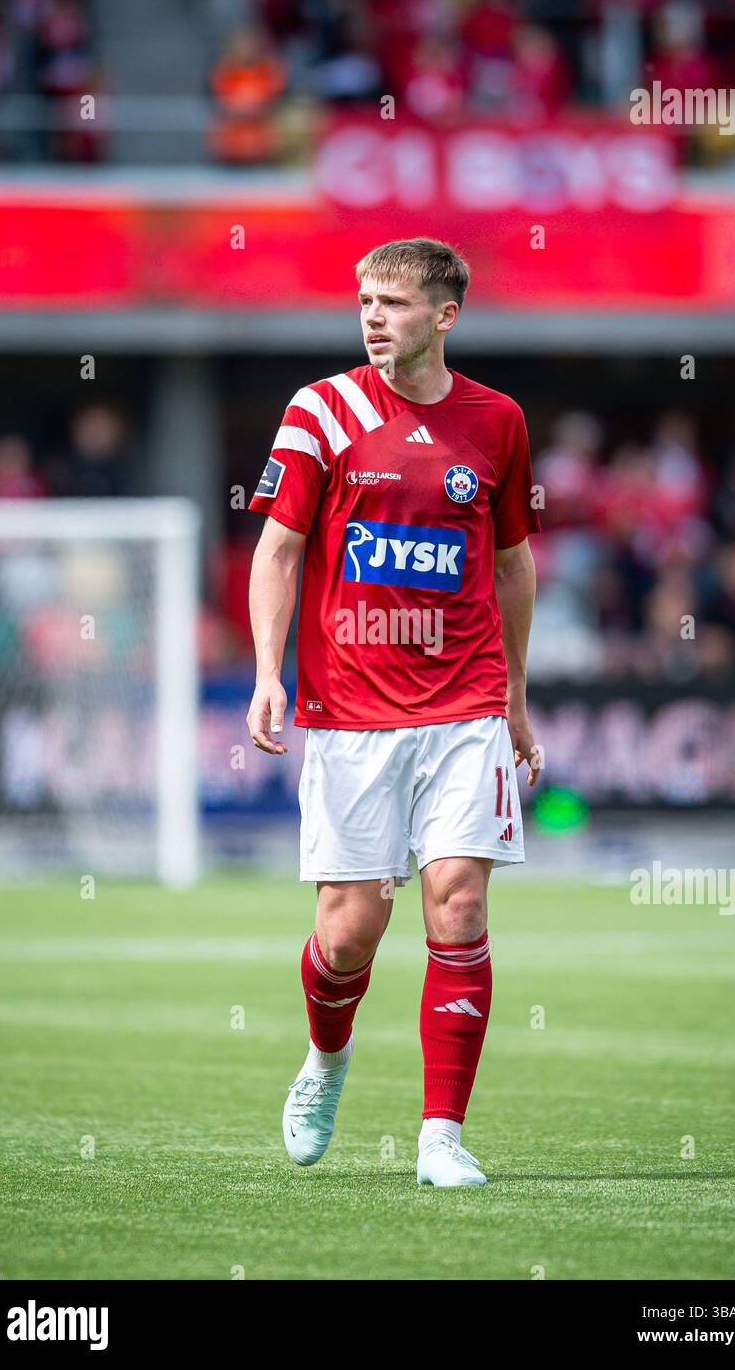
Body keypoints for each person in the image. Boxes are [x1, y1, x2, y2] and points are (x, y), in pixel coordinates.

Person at [247, 238, 540, 1187]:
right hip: (350, 717)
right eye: (364, 301)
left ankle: (440, 1137)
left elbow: (510, 563)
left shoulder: (496, 423)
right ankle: (326, 1060)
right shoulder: (319, 411)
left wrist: (517, 700)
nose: (372, 317)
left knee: (456, 901)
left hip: (465, 707)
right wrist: (266, 674)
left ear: (444, 316)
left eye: (394, 304)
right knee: (347, 935)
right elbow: (279, 551)